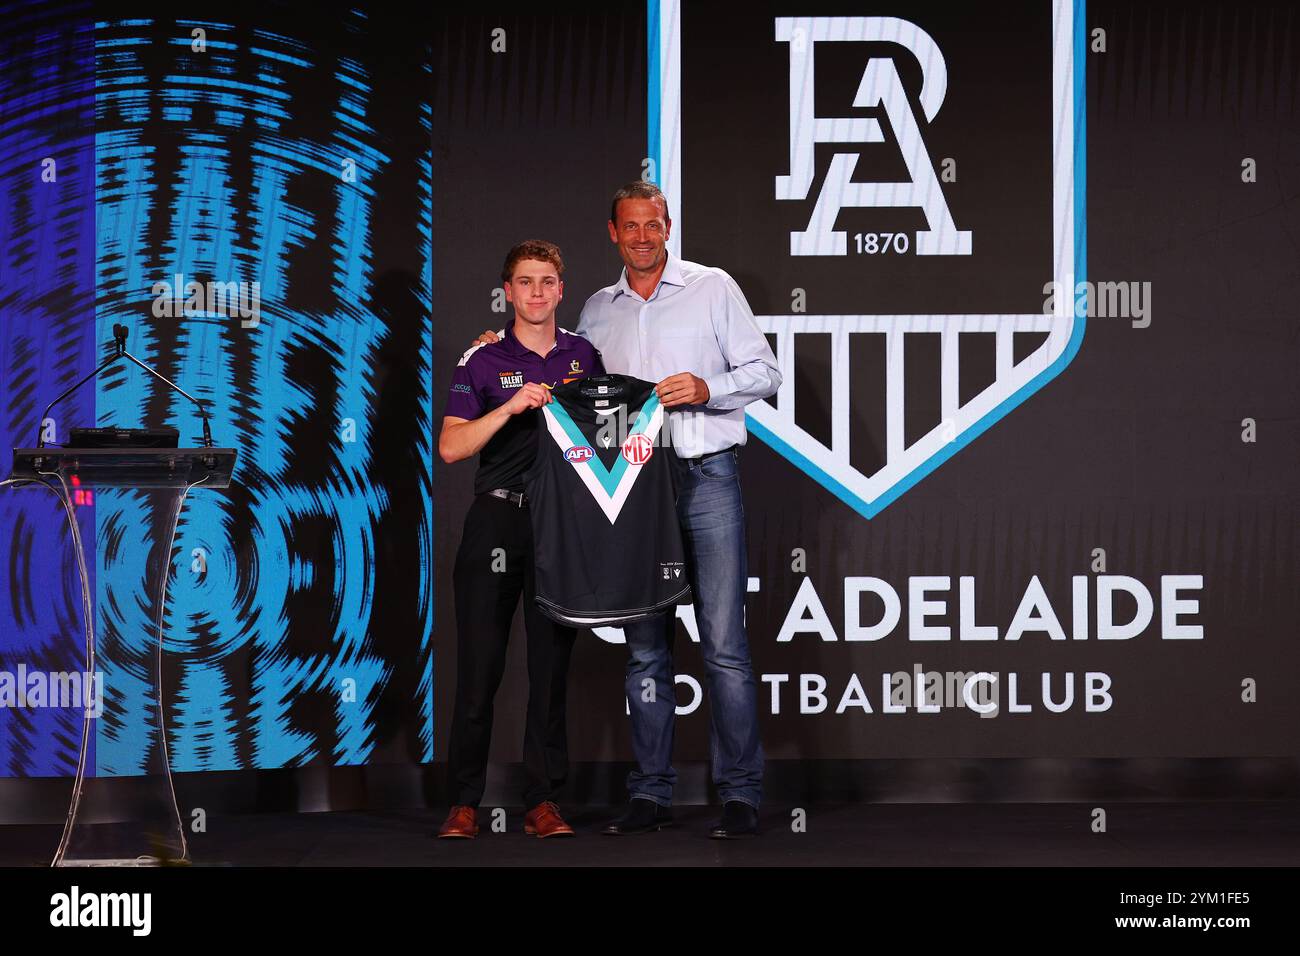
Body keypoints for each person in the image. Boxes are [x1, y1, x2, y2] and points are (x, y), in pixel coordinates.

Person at [472, 183, 780, 838]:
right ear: (612, 233)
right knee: (645, 648)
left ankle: (741, 793)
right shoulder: (596, 310)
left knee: (724, 645)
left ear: (669, 226)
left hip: (706, 477)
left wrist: (709, 387)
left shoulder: (712, 287)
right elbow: (560, 377)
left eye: (654, 224)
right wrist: (494, 348)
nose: (643, 237)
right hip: (633, 495)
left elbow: (766, 372)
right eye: (630, 227)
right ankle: (650, 793)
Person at [437, 239, 604, 839]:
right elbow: (452, 447)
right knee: (479, 668)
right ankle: (463, 803)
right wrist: (508, 408)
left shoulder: (585, 356)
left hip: (561, 526)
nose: (536, 292)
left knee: (550, 668)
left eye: (547, 282)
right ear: (507, 292)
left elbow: (607, 441)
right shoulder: (480, 360)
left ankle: (542, 802)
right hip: (496, 522)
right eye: (525, 282)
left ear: (562, 290)